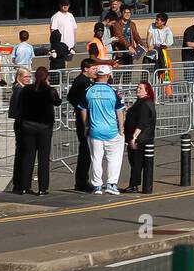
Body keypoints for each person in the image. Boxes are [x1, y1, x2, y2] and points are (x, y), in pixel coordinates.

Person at [80, 65, 126, 195]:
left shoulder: (88, 91)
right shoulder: (114, 91)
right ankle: (111, 184)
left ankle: (97, 185)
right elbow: (119, 111)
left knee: (96, 158)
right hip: (111, 130)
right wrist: (121, 129)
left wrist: (86, 126)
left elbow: (83, 110)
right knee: (114, 158)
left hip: (95, 130)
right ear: (108, 76)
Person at [15, 67, 60, 197]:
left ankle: (24, 187)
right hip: (44, 126)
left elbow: (20, 105)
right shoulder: (49, 90)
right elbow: (57, 102)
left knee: (28, 156)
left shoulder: (26, 89)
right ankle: (42, 188)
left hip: (28, 125)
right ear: (47, 77)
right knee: (43, 158)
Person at [67, 58, 96, 192]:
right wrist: (79, 108)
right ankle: (81, 181)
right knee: (85, 150)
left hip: (85, 118)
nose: (95, 71)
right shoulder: (82, 82)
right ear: (86, 69)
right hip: (83, 120)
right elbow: (71, 97)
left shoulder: (87, 81)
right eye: (93, 69)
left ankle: (83, 179)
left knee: (87, 150)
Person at [122, 80, 157, 194]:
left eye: (140, 88)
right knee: (134, 162)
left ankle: (134, 185)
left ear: (147, 91)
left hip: (141, 139)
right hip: (139, 137)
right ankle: (135, 184)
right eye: (137, 87)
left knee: (136, 162)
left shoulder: (145, 103)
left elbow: (142, 122)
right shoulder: (141, 102)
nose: (137, 89)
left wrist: (134, 137)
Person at [7, 66, 33, 194]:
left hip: (22, 123)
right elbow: (18, 109)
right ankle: (20, 184)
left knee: (22, 153)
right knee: (23, 154)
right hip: (22, 124)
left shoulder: (22, 89)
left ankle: (21, 183)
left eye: (29, 76)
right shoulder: (19, 90)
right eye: (26, 76)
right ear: (19, 77)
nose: (28, 79)